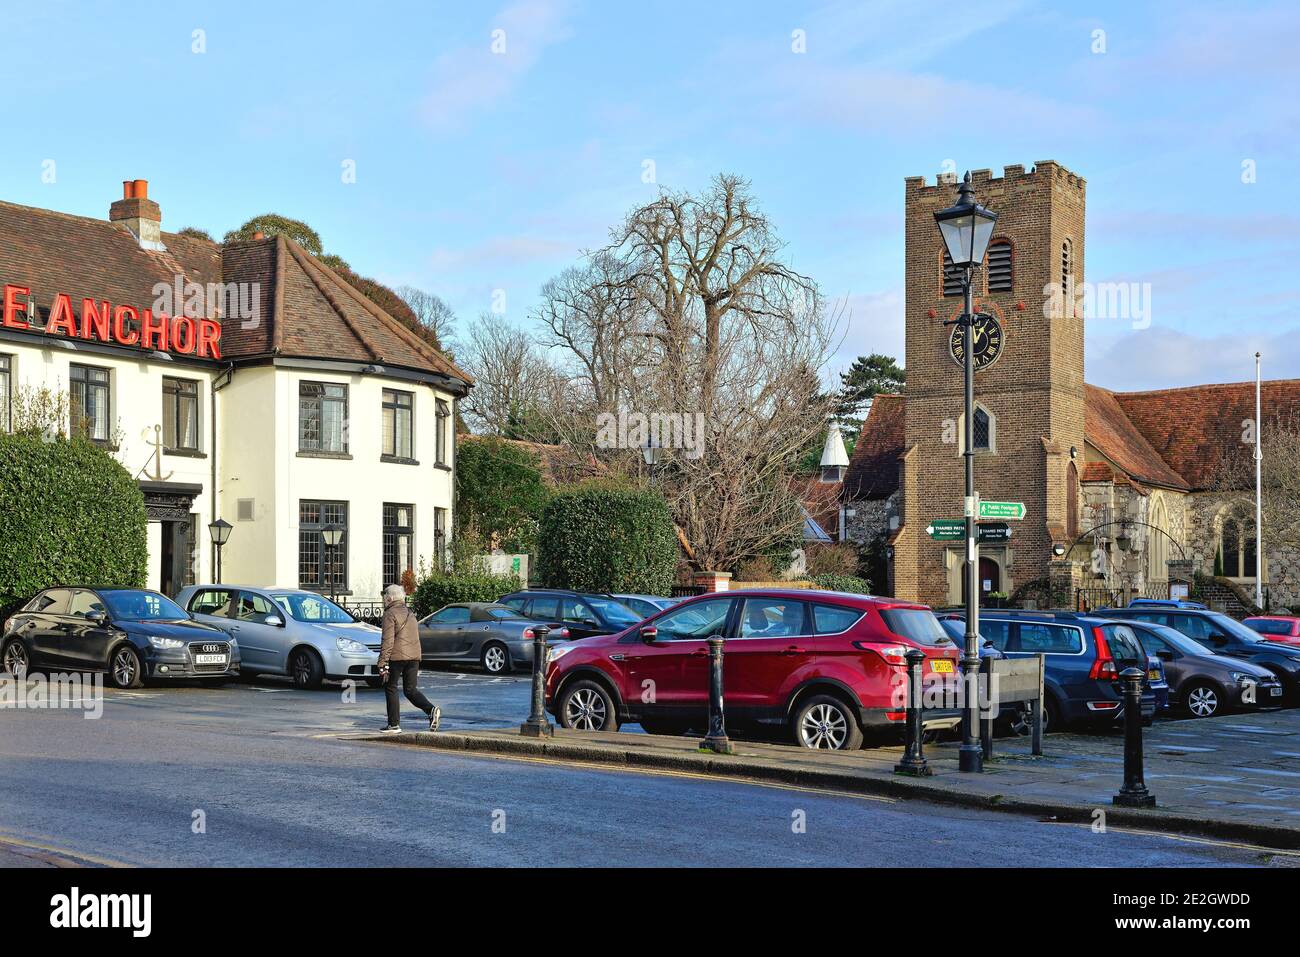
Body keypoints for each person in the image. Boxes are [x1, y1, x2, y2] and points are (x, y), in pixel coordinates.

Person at [377, 584, 440, 733]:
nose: (384, 599)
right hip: (414, 656)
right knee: (410, 690)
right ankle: (431, 710)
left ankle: (393, 725)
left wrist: (382, 661)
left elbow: (388, 640)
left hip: (397, 657)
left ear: (390, 598)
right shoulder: (410, 612)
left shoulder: (390, 613)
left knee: (390, 687)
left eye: (385, 596)